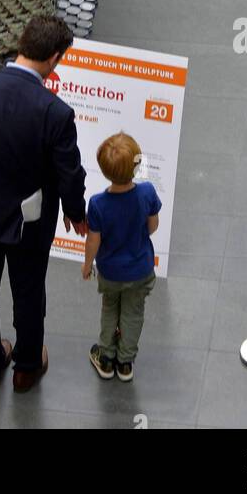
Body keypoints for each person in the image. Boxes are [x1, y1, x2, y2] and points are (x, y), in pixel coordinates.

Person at [0, 15, 88, 393]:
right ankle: (26, 366)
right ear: (55, 58)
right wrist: (76, 211)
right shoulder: (55, 112)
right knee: (27, 292)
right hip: (29, 223)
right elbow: (68, 172)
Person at [82, 132, 161, 382]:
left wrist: (87, 266)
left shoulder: (97, 204)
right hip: (140, 270)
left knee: (110, 307)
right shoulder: (147, 193)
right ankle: (125, 362)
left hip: (110, 272)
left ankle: (105, 357)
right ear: (136, 166)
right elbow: (153, 226)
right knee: (133, 312)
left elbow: (93, 240)